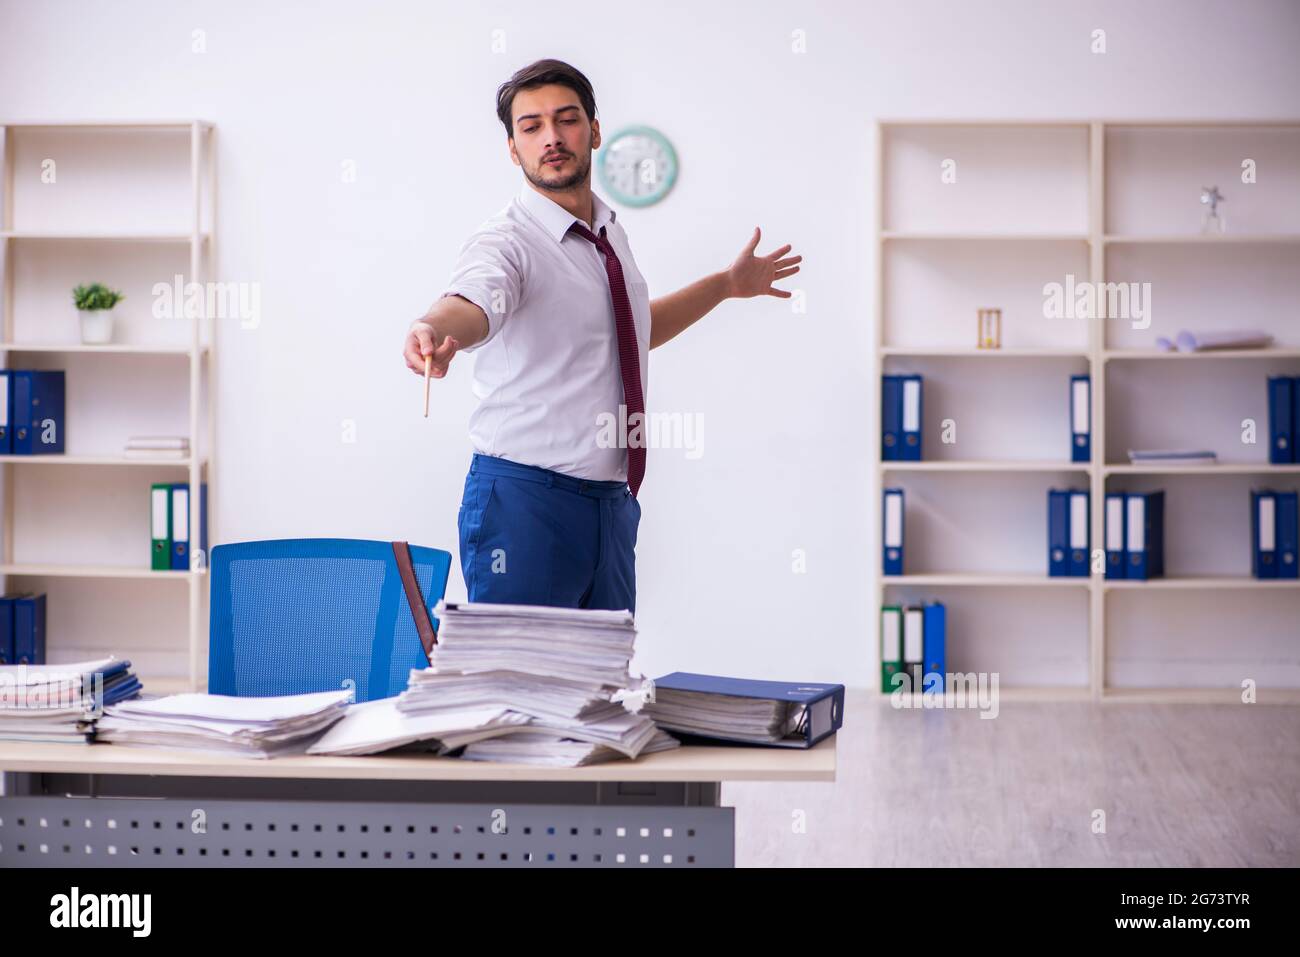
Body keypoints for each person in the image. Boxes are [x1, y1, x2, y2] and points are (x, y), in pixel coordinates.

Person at [402, 58, 800, 613]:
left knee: (604, 692)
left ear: (593, 130)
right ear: (513, 149)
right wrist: (436, 327)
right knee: (527, 689)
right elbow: (473, 300)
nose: (551, 138)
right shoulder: (507, 242)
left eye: (566, 120)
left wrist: (726, 285)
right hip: (525, 505)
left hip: (611, 507)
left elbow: (629, 335)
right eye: (531, 127)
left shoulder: (607, 234)